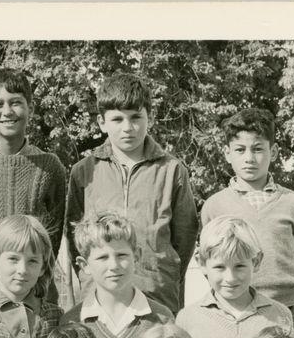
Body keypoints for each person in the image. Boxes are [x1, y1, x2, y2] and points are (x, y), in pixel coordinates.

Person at [64, 73, 197, 315]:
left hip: (157, 294)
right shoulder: (83, 172)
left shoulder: (172, 171)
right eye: (117, 119)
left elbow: (184, 239)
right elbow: (75, 239)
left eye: (136, 117)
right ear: (102, 122)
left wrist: (161, 269)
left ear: (150, 117)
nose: (128, 128)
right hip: (100, 296)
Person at [0, 67, 67, 304]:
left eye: (16, 102)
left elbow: (52, 239)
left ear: (31, 109)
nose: (7, 111)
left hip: (35, 294)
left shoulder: (50, 166)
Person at [201, 108, 294, 330]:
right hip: (234, 308)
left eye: (258, 149)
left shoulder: (293, 202)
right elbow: (210, 259)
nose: (249, 158)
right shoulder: (214, 205)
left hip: (287, 307)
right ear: (227, 152)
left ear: (275, 151)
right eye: (240, 150)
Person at [176, 216, 293, 338]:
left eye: (239, 266)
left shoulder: (279, 315)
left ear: (256, 261)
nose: (230, 278)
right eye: (220, 267)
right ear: (202, 263)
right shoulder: (188, 319)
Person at [61, 211, 173, 338]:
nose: (113, 265)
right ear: (84, 265)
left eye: (121, 255)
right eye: (102, 257)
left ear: (136, 256)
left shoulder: (161, 319)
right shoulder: (71, 322)